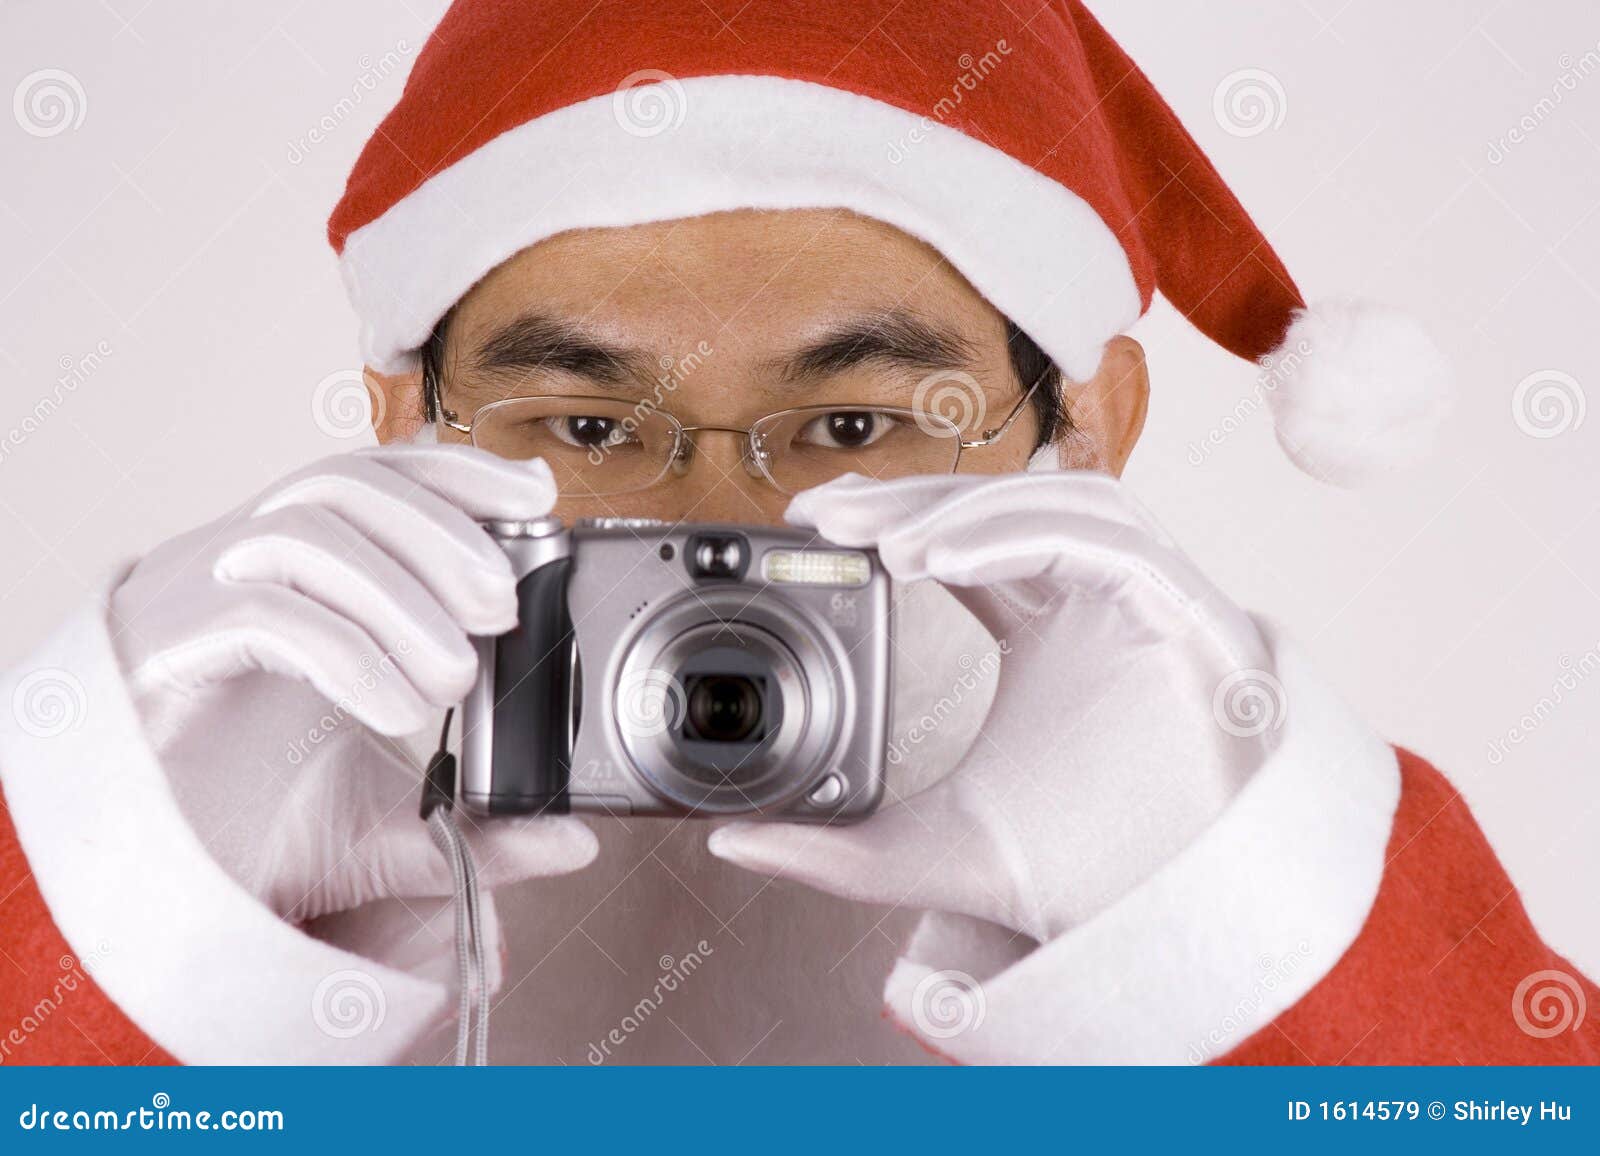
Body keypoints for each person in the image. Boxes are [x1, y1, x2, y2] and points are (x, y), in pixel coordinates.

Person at [1, 0, 1595, 1066]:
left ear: (1092, 422)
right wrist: (106, 908)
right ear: (405, 422)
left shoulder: (1231, 831)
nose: (723, 538)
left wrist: (1254, 935)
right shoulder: (250, 820)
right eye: (586, 427)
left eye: (850, 426)